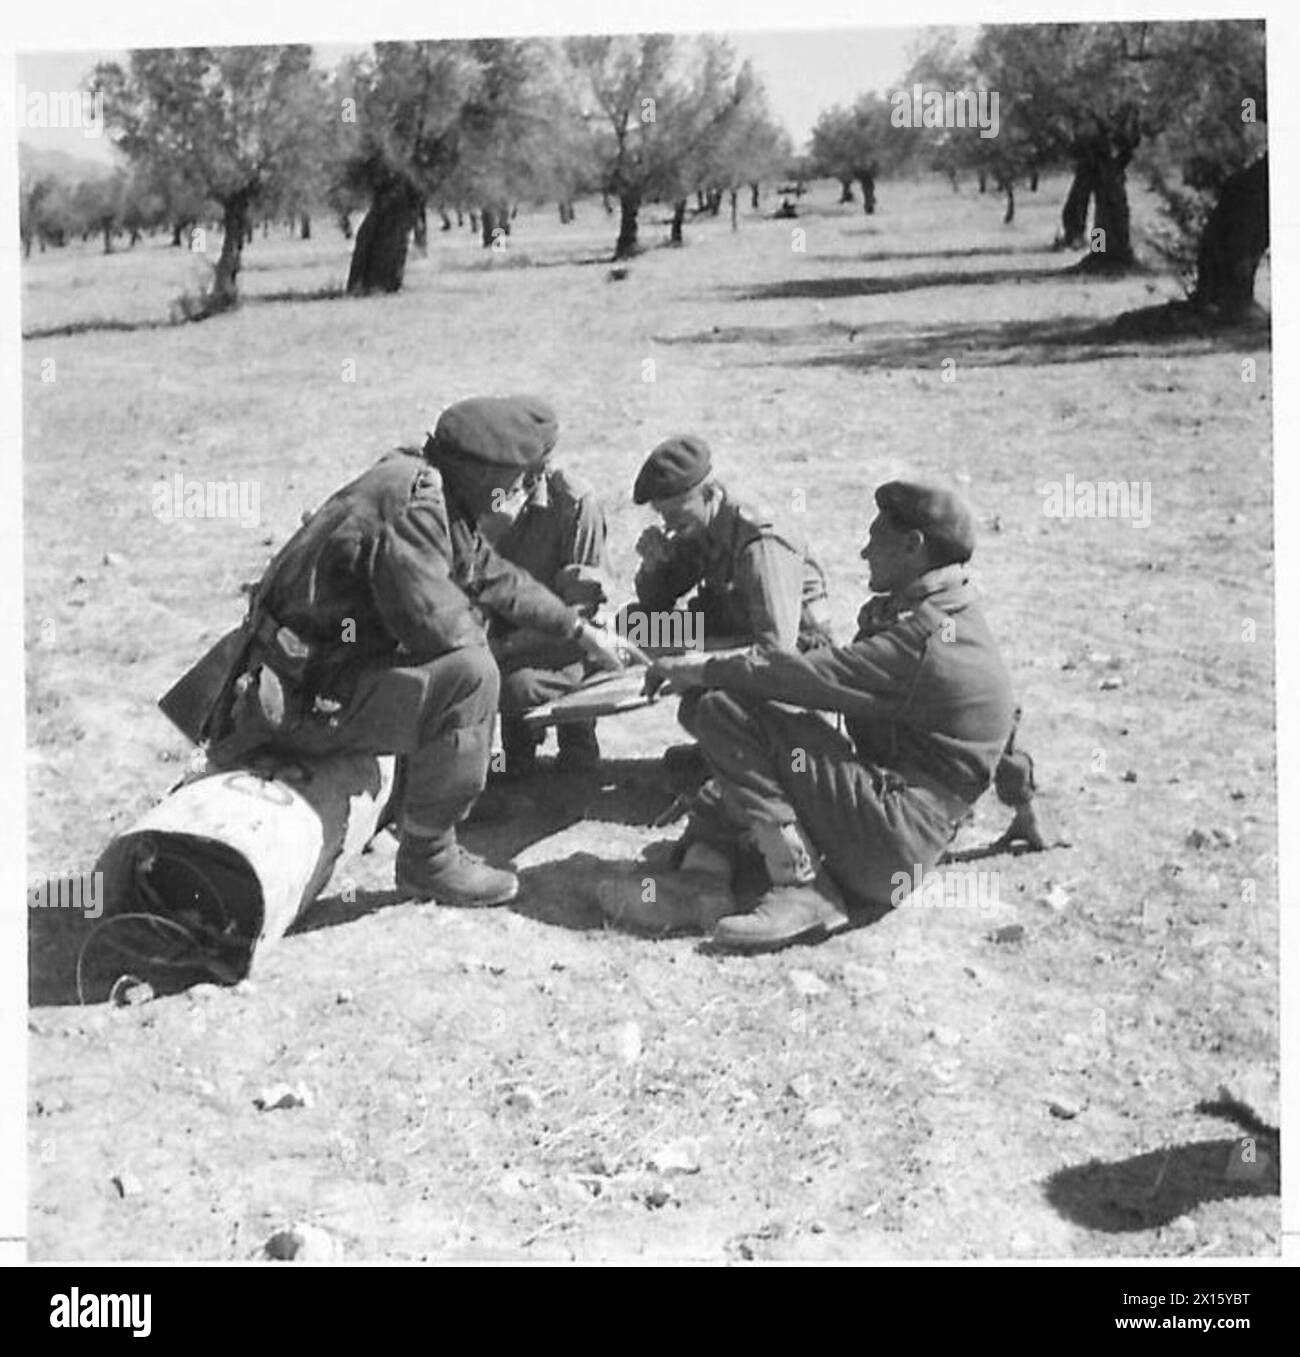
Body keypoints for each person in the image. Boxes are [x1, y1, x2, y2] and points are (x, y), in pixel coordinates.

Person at [184, 395, 631, 909]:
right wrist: (514, 639)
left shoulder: (423, 481)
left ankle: (404, 803)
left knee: (465, 664)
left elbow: (492, 575)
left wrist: (578, 630)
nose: (528, 490)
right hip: (300, 700)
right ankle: (430, 857)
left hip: (302, 676)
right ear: (491, 476)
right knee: (471, 675)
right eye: (523, 478)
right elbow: (446, 634)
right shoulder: (415, 508)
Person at [599, 480, 1019, 952]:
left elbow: (794, 672)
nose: (863, 552)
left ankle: (803, 888)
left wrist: (698, 667)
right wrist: (1024, 800)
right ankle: (703, 880)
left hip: (893, 841)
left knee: (725, 711)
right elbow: (1000, 710)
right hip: (896, 814)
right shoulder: (948, 613)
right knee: (750, 746)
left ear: (912, 546)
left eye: (875, 539)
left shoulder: (920, 636)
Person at [480, 448, 612, 777]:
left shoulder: (575, 504)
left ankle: (578, 735)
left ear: (533, 474)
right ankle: (516, 752)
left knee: (517, 687)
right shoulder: (488, 496)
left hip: (564, 643)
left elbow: (581, 608)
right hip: (501, 635)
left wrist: (507, 647)